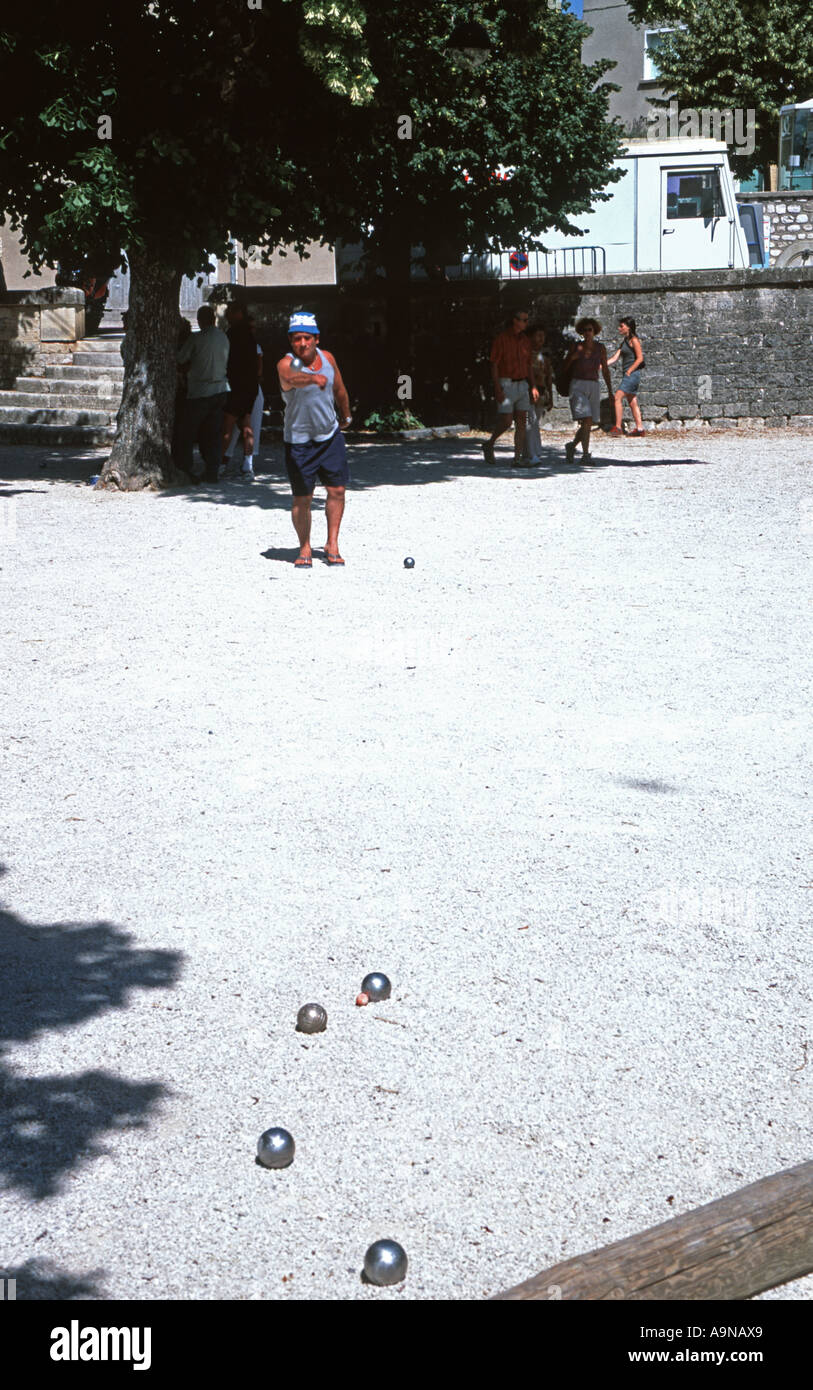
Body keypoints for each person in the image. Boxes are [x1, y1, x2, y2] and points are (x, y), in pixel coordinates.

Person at [277, 311, 352, 568]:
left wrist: (347, 415)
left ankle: (332, 543)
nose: (302, 344)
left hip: (329, 436)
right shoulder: (287, 363)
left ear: (317, 338)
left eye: (307, 338)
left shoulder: (328, 358)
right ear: (291, 341)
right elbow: (291, 379)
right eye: (297, 339)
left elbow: (339, 389)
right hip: (299, 442)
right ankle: (305, 546)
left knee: (337, 490)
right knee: (303, 498)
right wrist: (312, 378)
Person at [175, 305, 230, 483]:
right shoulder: (223, 337)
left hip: (199, 391)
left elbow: (180, 359)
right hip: (221, 389)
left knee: (187, 433)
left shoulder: (196, 339)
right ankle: (212, 470)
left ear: (199, 320)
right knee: (213, 434)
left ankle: (185, 468)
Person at [483, 309, 539, 464]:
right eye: (524, 320)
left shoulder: (526, 341)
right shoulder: (501, 339)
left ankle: (517, 458)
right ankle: (490, 443)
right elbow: (494, 364)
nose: (526, 323)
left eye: (527, 320)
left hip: (522, 384)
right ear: (515, 321)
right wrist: (497, 387)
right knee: (506, 421)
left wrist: (533, 386)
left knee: (522, 421)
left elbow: (529, 366)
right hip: (506, 382)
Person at [563, 317, 613, 463]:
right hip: (578, 385)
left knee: (588, 422)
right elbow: (564, 367)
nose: (587, 332)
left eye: (590, 329)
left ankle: (572, 446)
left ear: (594, 331)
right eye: (584, 330)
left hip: (593, 385)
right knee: (586, 420)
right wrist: (572, 358)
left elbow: (605, 370)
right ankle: (585, 455)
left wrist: (610, 391)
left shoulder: (600, 348)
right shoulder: (576, 347)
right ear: (581, 332)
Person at [221, 302, 259, 482]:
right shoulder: (250, 335)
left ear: (238, 314)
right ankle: (248, 464)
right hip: (250, 386)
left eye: (229, 312)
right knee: (247, 425)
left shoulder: (232, 334)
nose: (226, 315)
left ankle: (220, 464)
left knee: (227, 426)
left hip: (236, 385)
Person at [607, 316, 645, 436]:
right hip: (629, 375)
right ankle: (640, 429)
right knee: (632, 401)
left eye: (621, 326)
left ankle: (618, 428)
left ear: (628, 327)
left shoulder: (634, 340)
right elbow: (614, 358)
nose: (619, 328)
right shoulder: (624, 342)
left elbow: (640, 359)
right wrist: (601, 365)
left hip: (632, 375)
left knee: (617, 397)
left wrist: (629, 371)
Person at [523, 323, 553, 464]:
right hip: (528, 390)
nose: (541, 339)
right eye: (538, 336)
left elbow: (548, 377)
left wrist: (550, 397)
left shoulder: (543, 357)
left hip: (541, 391)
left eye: (543, 336)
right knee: (530, 421)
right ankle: (530, 453)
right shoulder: (525, 354)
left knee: (535, 423)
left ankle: (534, 451)